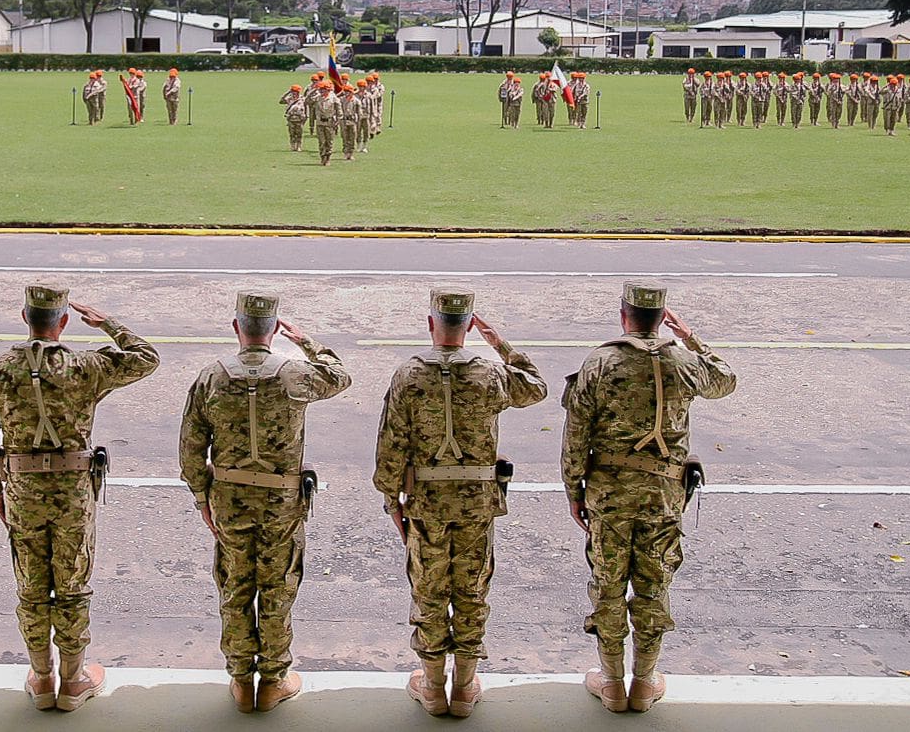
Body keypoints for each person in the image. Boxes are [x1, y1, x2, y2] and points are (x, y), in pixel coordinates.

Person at [0, 286, 161, 713]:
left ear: (24, 317)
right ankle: (74, 679)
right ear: (64, 321)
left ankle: (41, 677)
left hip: (22, 491)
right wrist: (107, 323)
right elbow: (146, 358)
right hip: (73, 491)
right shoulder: (85, 366)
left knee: (32, 586)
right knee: (72, 583)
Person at [564, 283, 736, 714]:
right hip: (663, 494)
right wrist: (690, 335)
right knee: (653, 584)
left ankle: (611, 681)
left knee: (608, 584)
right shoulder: (684, 361)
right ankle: (643, 683)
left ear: (624, 316)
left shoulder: (601, 361)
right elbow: (726, 379)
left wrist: (574, 489)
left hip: (609, 493)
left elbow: (575, 435)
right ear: (662, 319)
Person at [375, 291, 546, 718]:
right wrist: (500, 344)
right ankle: (465, 686)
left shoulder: (409, 375)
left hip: (426, 503)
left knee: (430, 591)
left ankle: (434, 688)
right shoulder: (491, 373)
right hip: (475, 504)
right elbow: (536, 387)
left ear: (431, 323)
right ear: (469, 326)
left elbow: (390, 445)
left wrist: (391, 499)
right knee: (471, 590)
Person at [179, 292, 351, 713]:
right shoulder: (295, 374)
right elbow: (339, 375)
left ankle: (241, 681)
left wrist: (202, 496)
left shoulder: (212, 377)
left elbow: (190, 446)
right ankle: (273, 681)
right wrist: (308, 342)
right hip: (281, 500)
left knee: (236, 586)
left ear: (237, 327)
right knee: (277, 588)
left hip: (230, 499)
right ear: (274, 331)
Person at [313, 79, 339, 166]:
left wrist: (338, 121)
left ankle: (328, 158)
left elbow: (339, 110)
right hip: (320, 122)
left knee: (329, 141)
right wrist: (313, 90)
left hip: (330, 122)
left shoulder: (333, 98)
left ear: (327, 89)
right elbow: (307, 102)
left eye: (323, 89)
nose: (321, 91)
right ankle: (323, 157)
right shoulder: (317, 98)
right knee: (321, 141)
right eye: (320, 89)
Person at [280, 84, 305, 151]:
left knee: (299, 133)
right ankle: (292, 146)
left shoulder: (302, 99)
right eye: (293, 91)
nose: (295, 93)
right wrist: (288, 92)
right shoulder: (289, 99)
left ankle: (299, 146)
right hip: (291, 118)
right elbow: (281, 101)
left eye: (296, 91)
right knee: (292, 133)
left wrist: (305, 117)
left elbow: (306, 107)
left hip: (299, 118)